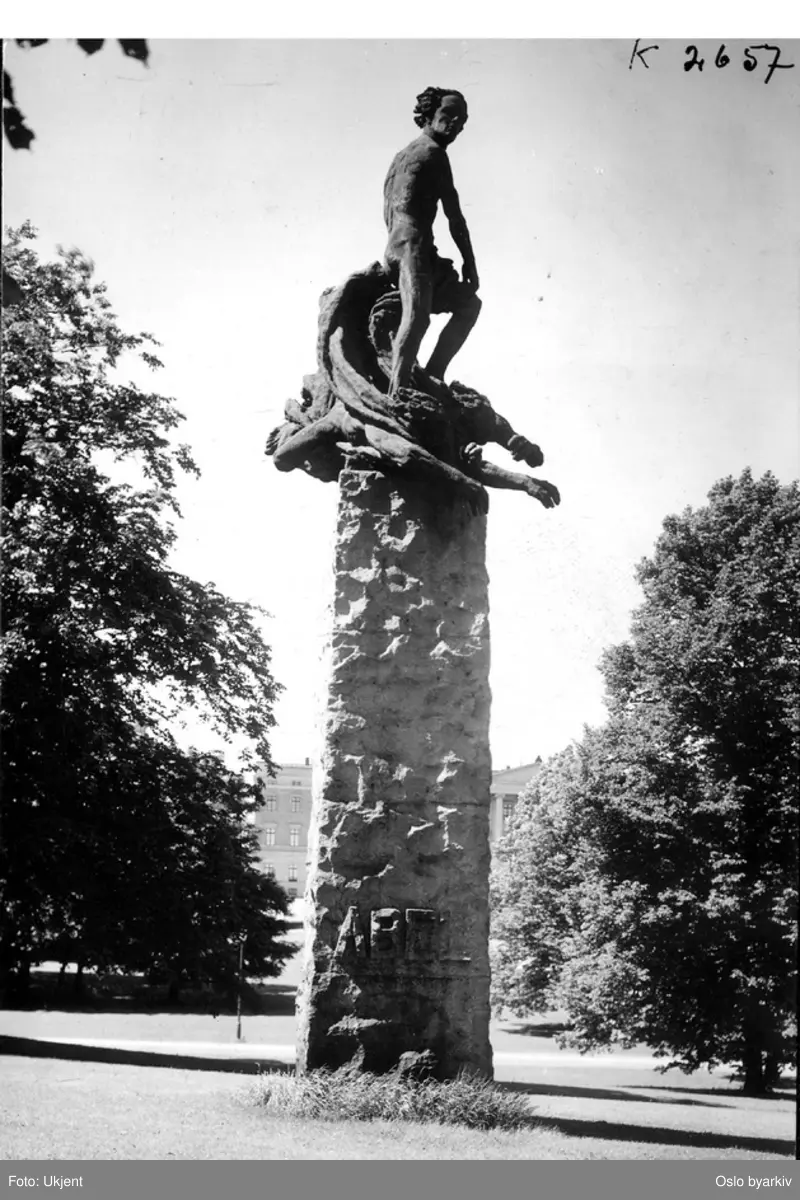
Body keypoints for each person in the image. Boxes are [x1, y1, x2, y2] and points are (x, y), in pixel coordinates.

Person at [383, 87, 481, 394]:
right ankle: (397, 396)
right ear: (430, 114)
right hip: (413, 247)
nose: (456, 124)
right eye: (448, 115)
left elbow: (390, 209)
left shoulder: (403, 154)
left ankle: (430, 376)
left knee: (467, 305)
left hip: (403, 247)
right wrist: (470, 263)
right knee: (417, 319)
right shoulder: (434, 153)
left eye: (461, 120)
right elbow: (454, 216)